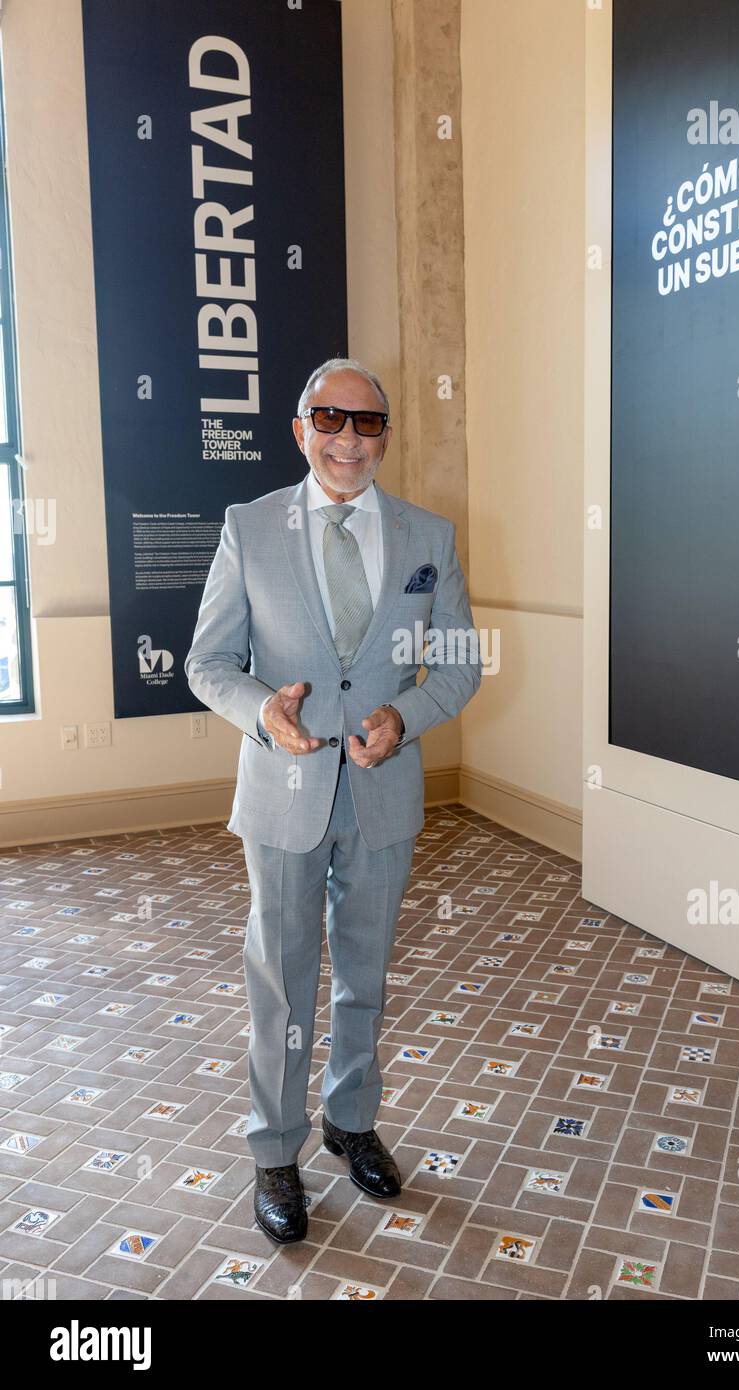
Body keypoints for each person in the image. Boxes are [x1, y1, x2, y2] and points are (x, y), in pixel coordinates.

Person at [185, 357, 482, 1242]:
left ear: (386, 435)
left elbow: (461, 664)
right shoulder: (249, 526)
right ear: (300, 429)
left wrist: (405, 713)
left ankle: (350, 1122)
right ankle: (274, 1150)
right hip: (283, 791)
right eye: (331, 419)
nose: (350, 439)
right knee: (278, 978)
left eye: (369, 423)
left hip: (384, 792)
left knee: (365, 973)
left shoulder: (429, 536)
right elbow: (209, 664)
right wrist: (260, 713)